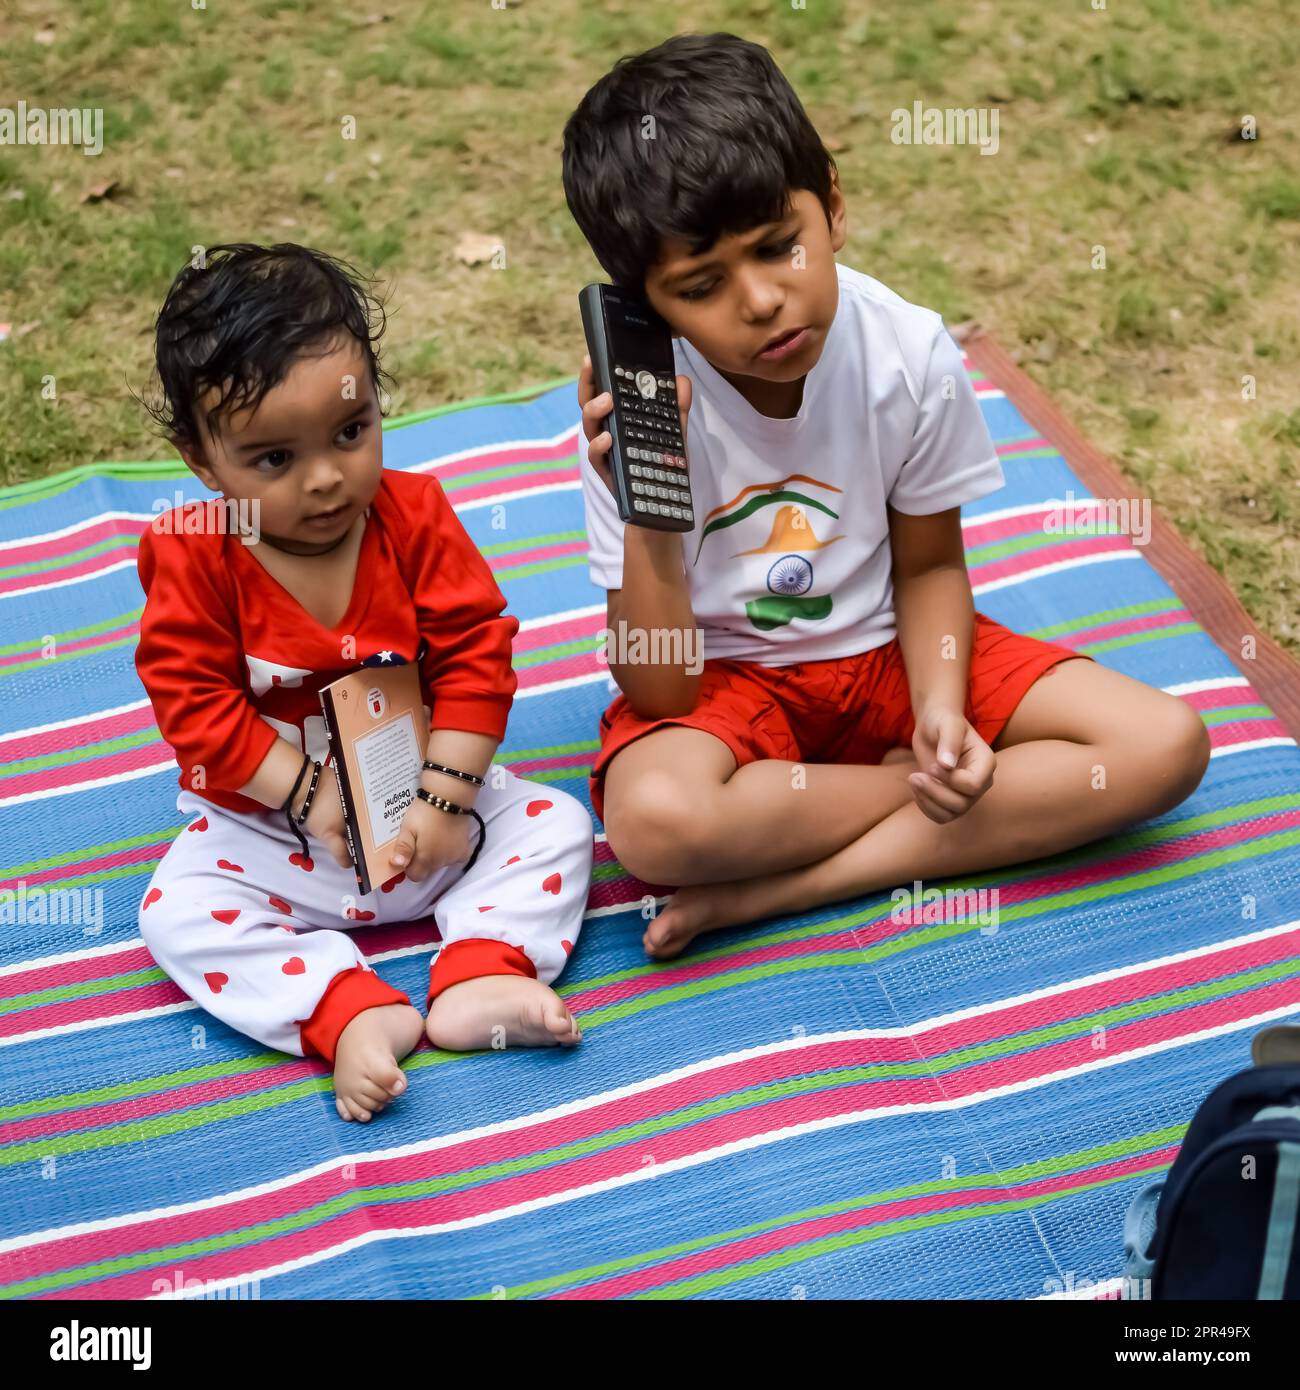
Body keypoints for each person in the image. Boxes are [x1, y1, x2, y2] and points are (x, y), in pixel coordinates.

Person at [561, 33, 1209, 960]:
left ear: (831, 203)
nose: (761, 302)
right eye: (701, 287)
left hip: (891, 658)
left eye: (779, 247)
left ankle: (793, 882)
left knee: (1167, 744)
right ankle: (931, 813)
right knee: (658, 822)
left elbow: (932, 561)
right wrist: (646, 514)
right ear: (644, 305)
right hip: (729, 685)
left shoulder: (906, 351)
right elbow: (662, 689)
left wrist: (940, 708)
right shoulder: (634, 414)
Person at [134, 243, 594, 1123]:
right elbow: (195, 708)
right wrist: (306, 795)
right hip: (279, 838)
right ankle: (348, 1011)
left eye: (352, 432)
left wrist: (449, 798)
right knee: (174, 911)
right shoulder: (195, 556)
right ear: (201, 460)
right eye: (272, 459)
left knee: (559, 824)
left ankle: (481, 974)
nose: (325, 478)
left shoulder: (414, 516)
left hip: (428, 817)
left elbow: (473, 654)